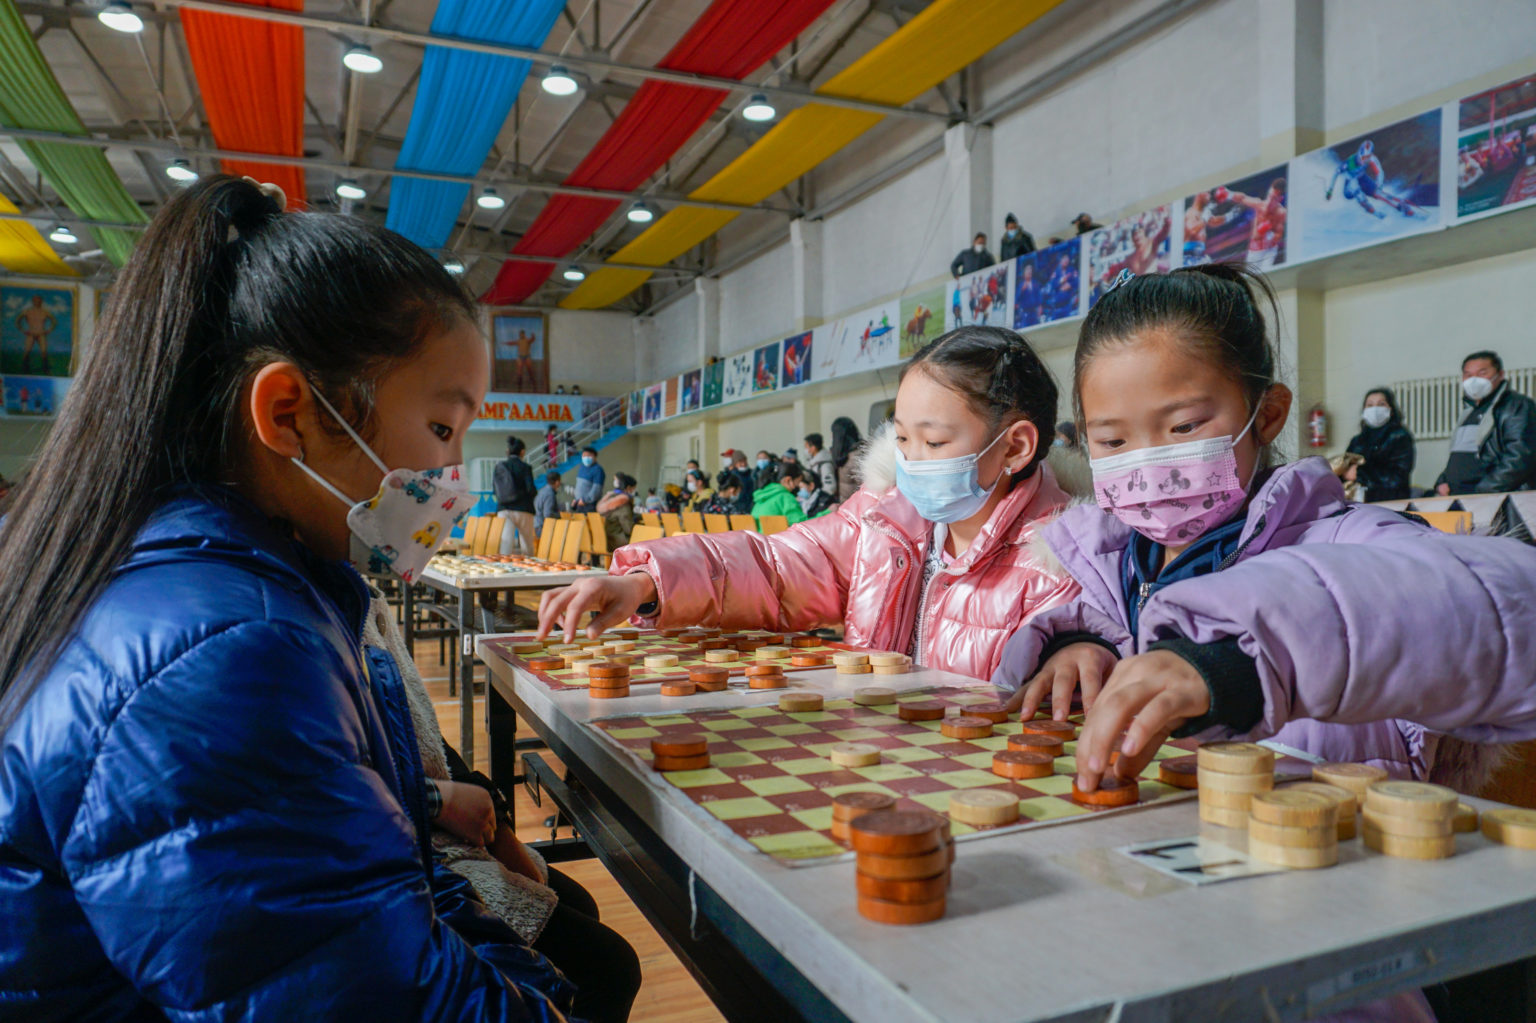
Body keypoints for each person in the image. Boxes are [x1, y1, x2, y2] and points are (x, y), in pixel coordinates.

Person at [0, 176, 578, 1019]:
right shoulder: (230, 655)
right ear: (288, 413)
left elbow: (369, 902)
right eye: (442, 429)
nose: (451, 477)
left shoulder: (197, 578)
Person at [992, 267, 1536, 1021]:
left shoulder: (1351, 540)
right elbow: (1107, 625)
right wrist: (1078, 642)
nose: (1147, 461)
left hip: (1332, 964)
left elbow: (1509, 605)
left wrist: (1249, 653)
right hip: (1147, 941)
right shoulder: (1110, 572)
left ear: (1268, 412)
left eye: (1184, 427)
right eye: (1113, 441)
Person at [537, 326, 1082, 683]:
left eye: (934, 443)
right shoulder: (882, 522)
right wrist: (645, 582)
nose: (912, 461)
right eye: (903, 439)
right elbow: (774, 567)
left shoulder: (1063, 570)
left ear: (1015, 447)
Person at [360, 590, 642, 1023]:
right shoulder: (302, 624)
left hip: (427, 827)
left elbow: (425, 737)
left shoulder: (357, 597)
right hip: (395, 859)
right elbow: (325, 791)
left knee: (580, 905)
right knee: (611, 969)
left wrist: (497, 825)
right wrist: (436, 800)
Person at [1435, 350, 1536, 495]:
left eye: (1482, 373)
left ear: (1500, 375)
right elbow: (1459, 455)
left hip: (1493, 498)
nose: (1474, 380)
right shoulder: (1469, 410)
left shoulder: (1516, 406)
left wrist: (1486, 489)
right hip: (1459, 496)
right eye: (1468, 375)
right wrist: (1443, 480)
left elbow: (1520, 456)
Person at [1345, 387, 1414, 501]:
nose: (1375, 409)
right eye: (1370, 405)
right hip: (1359, 500)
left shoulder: (1400, 437)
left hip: (1391, 501)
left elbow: (1397, 479)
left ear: (1391, 410)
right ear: (1364, 411)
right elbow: (1345, 470)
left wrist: (1360, 474)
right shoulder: (1357, 441)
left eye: (1381, 404)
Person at [493, 436, 537, 555]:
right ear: (522, 452)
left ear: (508, 451)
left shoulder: (499, 467)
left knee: (506, 544)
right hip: (524, 509)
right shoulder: (525, 468)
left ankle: (504, 565)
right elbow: (530, 489)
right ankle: (528, 564)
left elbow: (495, 490)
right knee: (527, 545)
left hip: (504, 509)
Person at [597, 473, 638, 550]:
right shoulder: (623, 503)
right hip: (616, 541)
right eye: (633, 488)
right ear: (628, 488)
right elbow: (628, 528)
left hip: (603, 539)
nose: (634, 491)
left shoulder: (609, 499)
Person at [829, 416, 863, 502]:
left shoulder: (857, 457)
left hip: (855, 507)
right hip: (846, 505)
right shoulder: (843, 454)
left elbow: (866, 490)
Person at [804, 432, 836, 497]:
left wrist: (818, 499)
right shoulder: (812, 462)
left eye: (806, 447)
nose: (806, 450)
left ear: (813, 447)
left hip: (822, 499)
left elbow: (830, 488)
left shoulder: (825, 465)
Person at [573, 445, 605, 510]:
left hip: (589, 505)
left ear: (594, 457)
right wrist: (576, 499)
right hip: (579, 503)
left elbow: (597, 489)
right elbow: (579, 486)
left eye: (588, 456)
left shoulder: (598, 470)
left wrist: (584, 500)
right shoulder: (582, 467)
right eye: (584, 456)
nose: (585, 458)